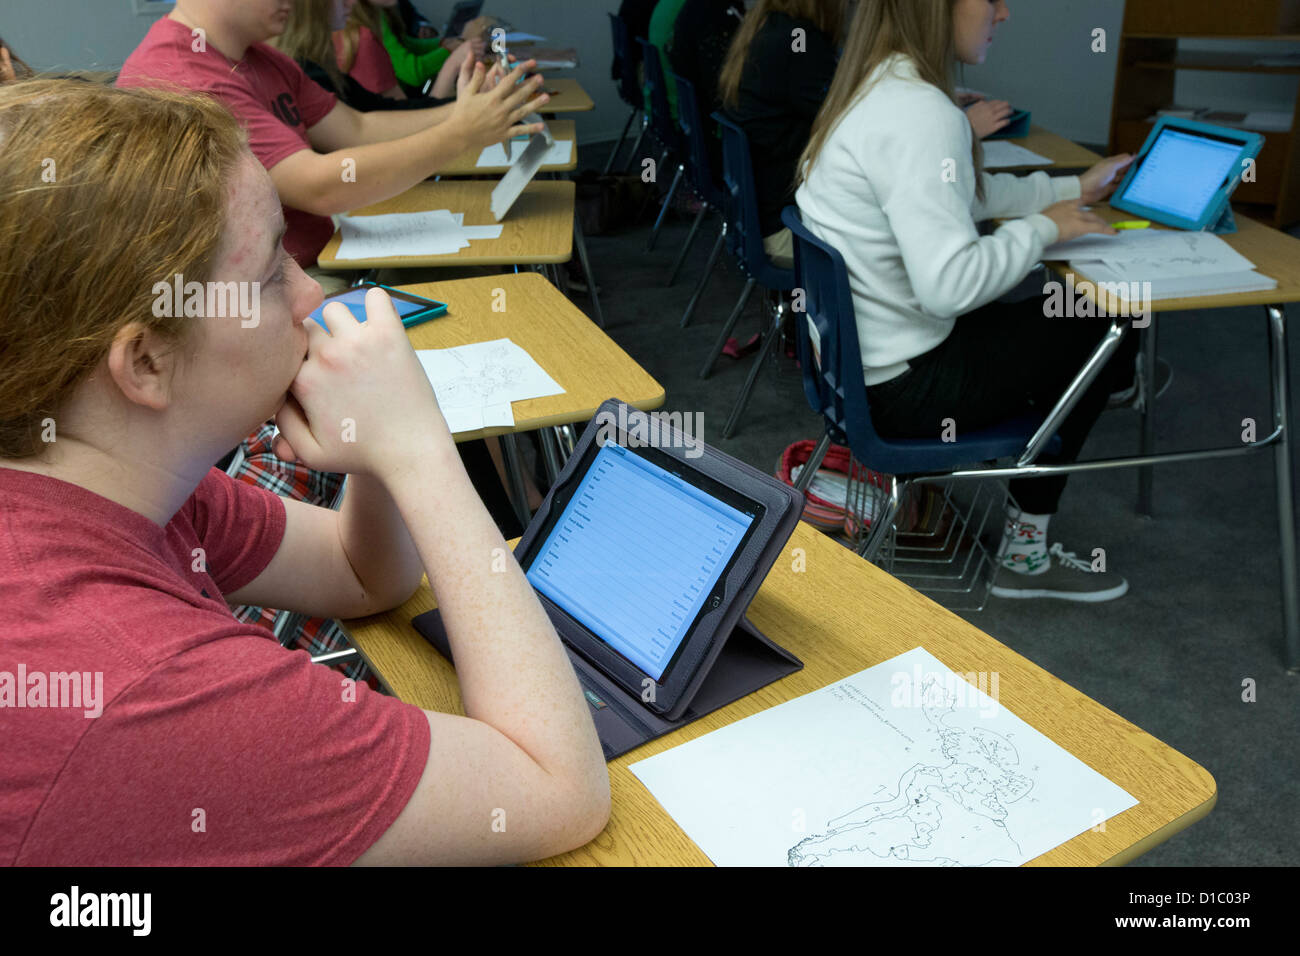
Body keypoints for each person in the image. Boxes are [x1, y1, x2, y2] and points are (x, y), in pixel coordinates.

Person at [0, 79, 609, 865]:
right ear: (144, 361)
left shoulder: (96, 477)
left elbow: (363, 574)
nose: (310, 294)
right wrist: (420, 448)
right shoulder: (150, 694)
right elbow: (558, 789)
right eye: (267, 278)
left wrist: (374, 443)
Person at [795, 0, 1139, 602]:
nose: (1004, 14)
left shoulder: (876, 86)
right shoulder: (922, 112)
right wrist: (1045, 229)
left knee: (1061, 313)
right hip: (908, 391)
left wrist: (1069, 190)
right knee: (1108, 322)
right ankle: (1026, 554)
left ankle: (1080, 394)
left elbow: (957, 197)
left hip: (859, 376)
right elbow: (948, 284)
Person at [117, 0, 545, 286]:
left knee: (480, 271)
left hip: (309, 264)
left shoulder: (262, 59)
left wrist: (469, 111)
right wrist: (460, 133)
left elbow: (356, 128)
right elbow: (319, 186)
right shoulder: (181, 76)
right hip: (261, 295)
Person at [719, 0, 844, 268]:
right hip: (785, 228)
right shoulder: (801, 39)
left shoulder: (765, 25)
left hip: (756, 219)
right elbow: (845, 120)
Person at [272, 0, 449, 111]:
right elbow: (369, 126)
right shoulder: (362, 38)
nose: (352, 2)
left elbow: (378, 108)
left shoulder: (318, 59)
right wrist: (451, 61)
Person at [338, 0, 484, 102]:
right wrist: (451, 55)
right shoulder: (365, 36)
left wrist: (444, 43)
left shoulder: (377, 15)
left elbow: (406, 44)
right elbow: (412, 73)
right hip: (401, 109)